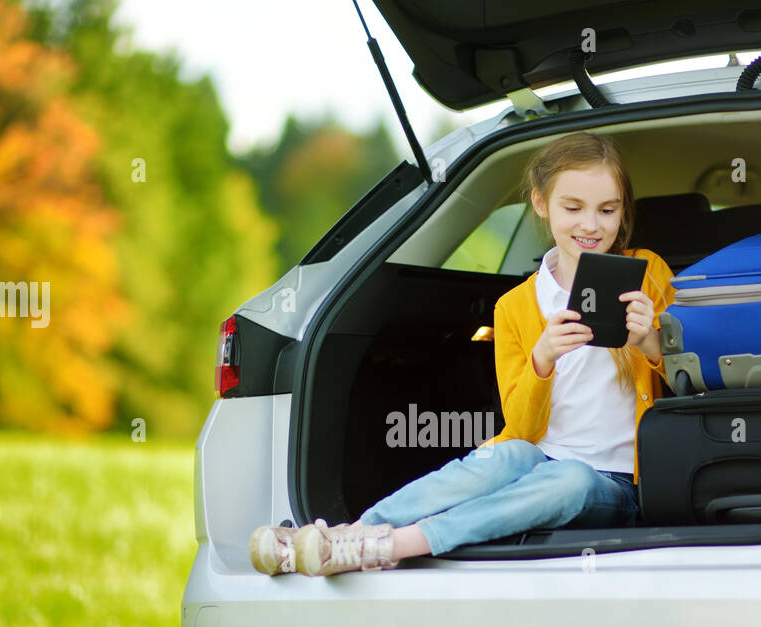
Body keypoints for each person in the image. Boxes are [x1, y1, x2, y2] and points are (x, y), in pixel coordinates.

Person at [250, 131, 675, 576]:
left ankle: (396, 544)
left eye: (607, 210)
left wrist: (649, 341)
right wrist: (542, 359)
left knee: (569, 479)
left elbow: (696, 378)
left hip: (617, 485)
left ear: (622, 210)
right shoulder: (514, 306)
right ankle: (346, 537)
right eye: (573, 208)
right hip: (539, 458)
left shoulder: (647, 273)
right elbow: (522, 427)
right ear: (541, 203)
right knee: (502, 457)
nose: (591, 225)